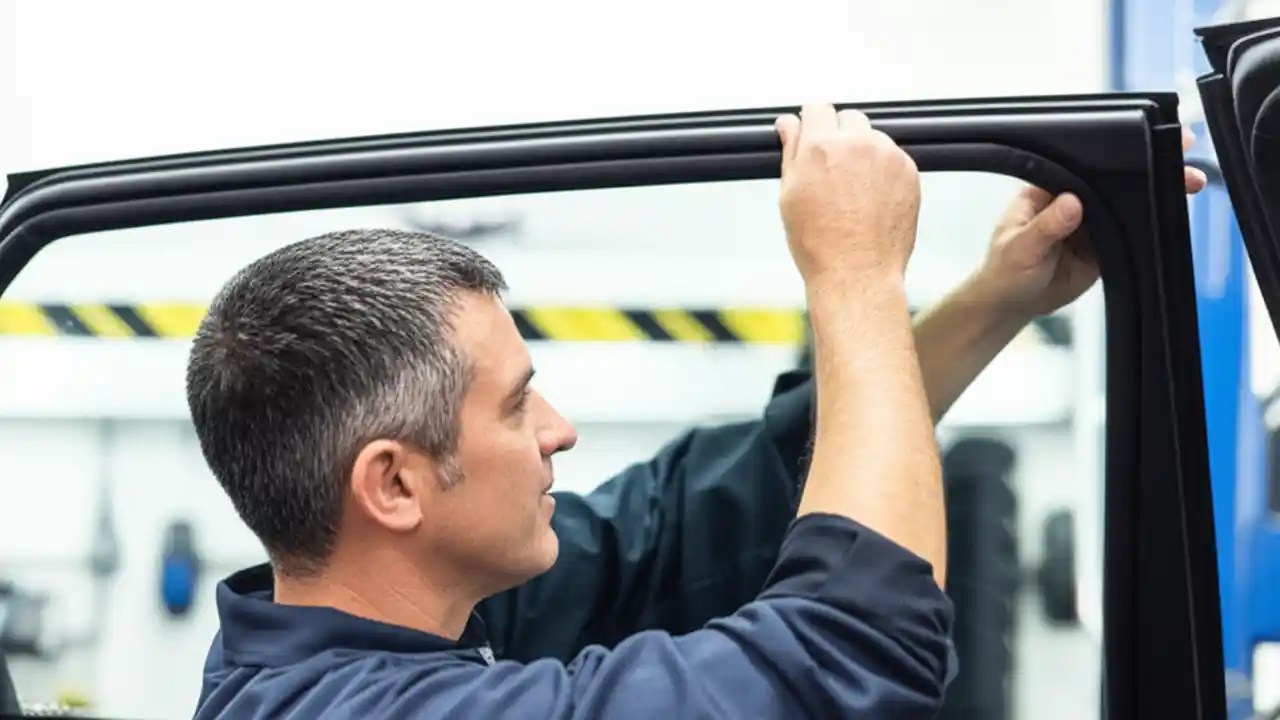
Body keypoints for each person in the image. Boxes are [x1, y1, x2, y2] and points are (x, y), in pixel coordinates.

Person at [189, 104, 1206, 719]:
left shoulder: (399, 614)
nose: (557, 429)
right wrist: (851, 278)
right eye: (513, 407)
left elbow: (695, 514)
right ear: (394, 485)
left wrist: (997, 300)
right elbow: (854, 656)